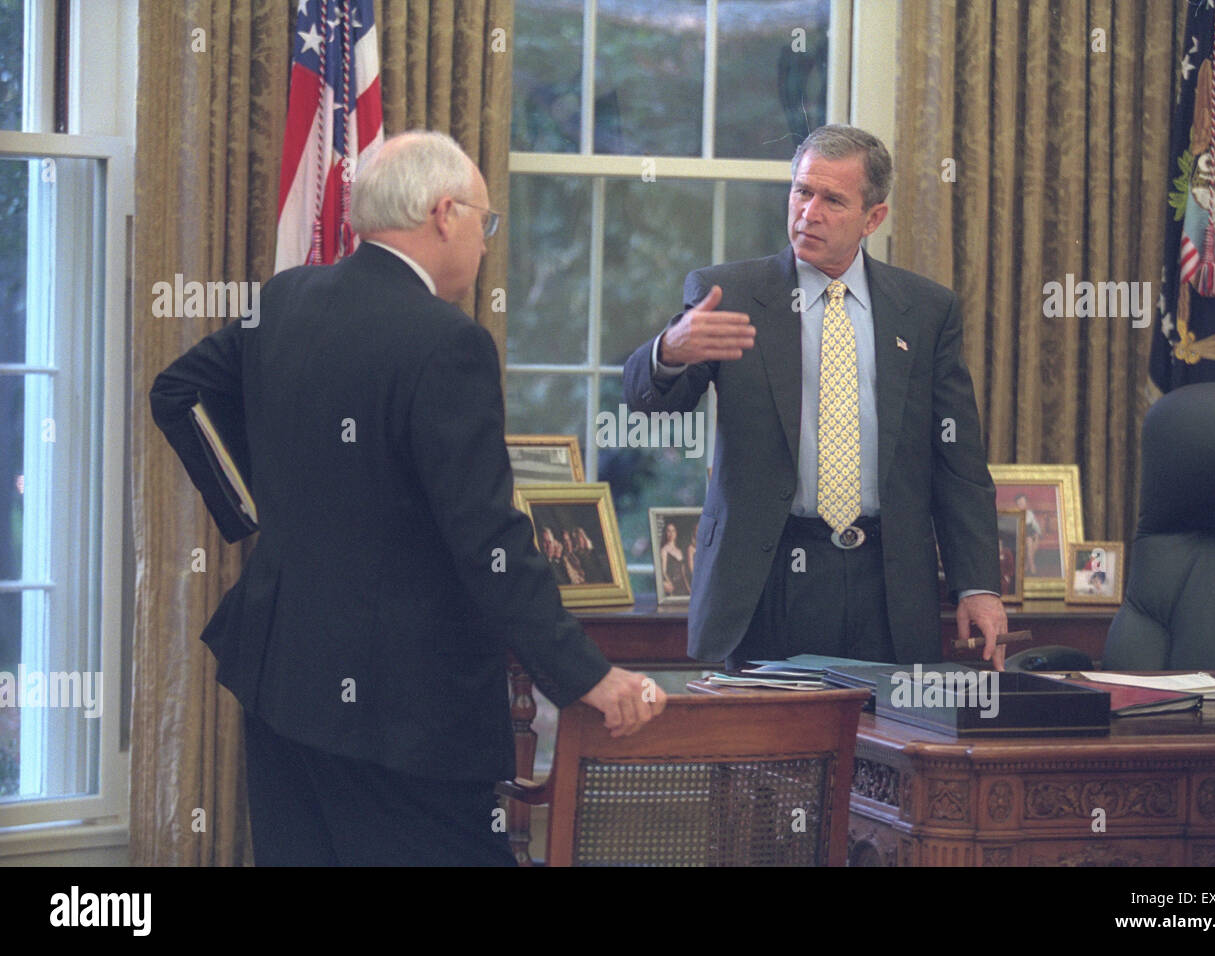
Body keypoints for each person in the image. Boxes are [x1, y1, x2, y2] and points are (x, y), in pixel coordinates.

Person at [150, 130, 665, 866]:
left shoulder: (289, 296)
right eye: (485, 224)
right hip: (403, 711)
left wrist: (257, 510)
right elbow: (487, 540)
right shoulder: (446, 342)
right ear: (444, 213)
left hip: (280, 675)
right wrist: (586, 674)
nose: (486, 245)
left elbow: (177, 393)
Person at [623, 124, 1007, 670]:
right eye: (802, 191)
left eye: (833, 200)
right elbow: (652, 406)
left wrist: (978, 585)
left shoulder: (924, 312)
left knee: (883, 753)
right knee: (762, 752)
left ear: (874, 218)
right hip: (765, 580)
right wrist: (669, 351)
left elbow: (959, 463)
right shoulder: (729, 294)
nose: (809, 212)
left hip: (886, 585)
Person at [660, 521, 691, 597]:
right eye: (668, 531)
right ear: (666, 533)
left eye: (673, 531)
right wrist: (669, 583)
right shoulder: (664, 550)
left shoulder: (680, 550)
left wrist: (688, 587)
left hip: (683, 585)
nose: (671, 534)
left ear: (676, 533)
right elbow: (663, 571)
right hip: (673, 585)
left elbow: (683, 572)